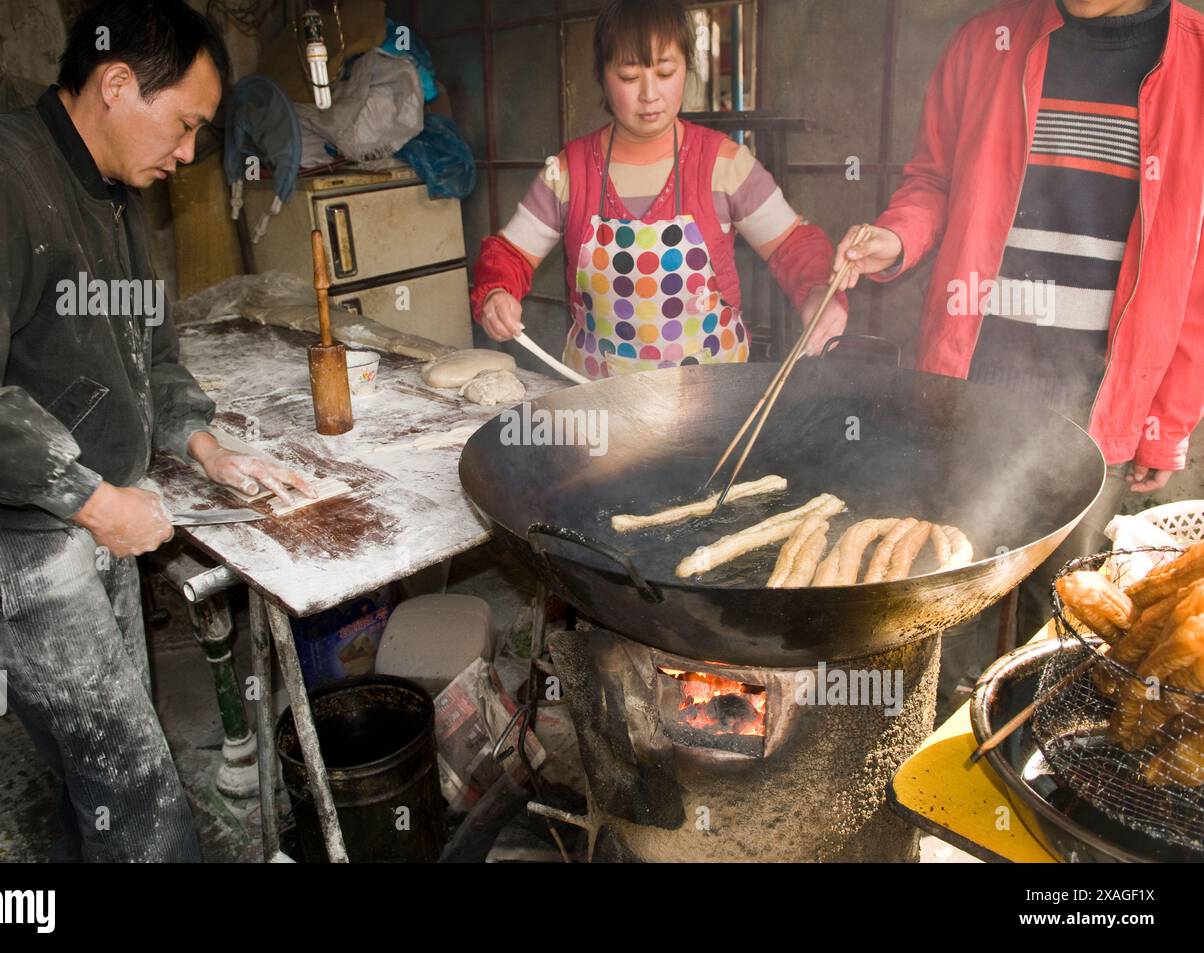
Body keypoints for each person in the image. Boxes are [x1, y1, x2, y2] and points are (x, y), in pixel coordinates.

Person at [0, 0, 312, 861]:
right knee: (133, 777)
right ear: (118, 84)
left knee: (106, 759)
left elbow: (150, 352)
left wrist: (203, 442)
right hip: (15, 532)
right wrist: (90, 500)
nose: (190, 152)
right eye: (187, 124)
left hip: (102, 508)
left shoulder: (120, 194)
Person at [834, 0, 1204, 645]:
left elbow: (1197, 270)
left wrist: (1165, 424)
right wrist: (896, 239)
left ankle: (1022, 740)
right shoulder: (986, 43)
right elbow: (932, 180)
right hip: (971, 387)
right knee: (943, 599)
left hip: (1098, 404)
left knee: (1059, 621)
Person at [470, 0, 845, 378]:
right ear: (601, 76)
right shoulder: (570, 171)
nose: (649, 94)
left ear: (686, 68)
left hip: (713, 396)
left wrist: (817, 292)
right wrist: (496, 292)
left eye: (665, 72)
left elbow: (791, 244)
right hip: (600, 398)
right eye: (630, 77)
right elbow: (510, 254)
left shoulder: (725, 164)